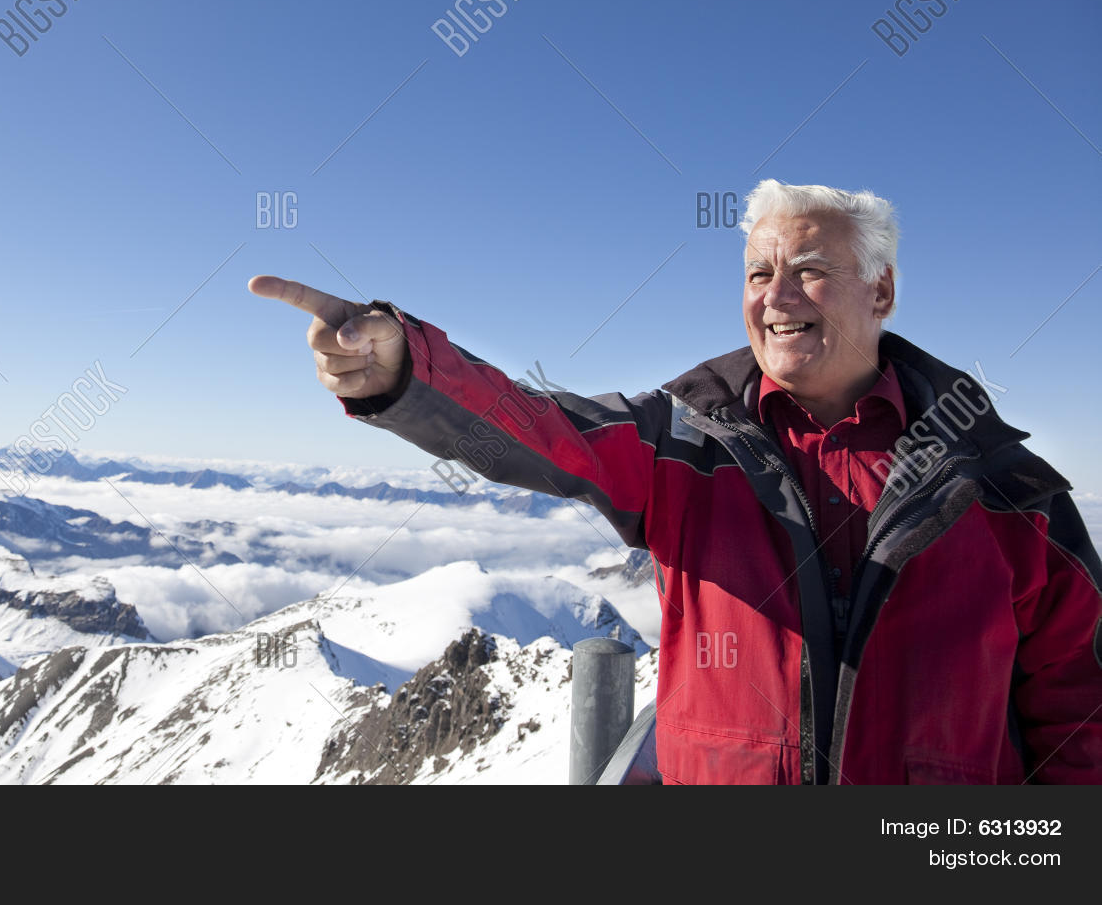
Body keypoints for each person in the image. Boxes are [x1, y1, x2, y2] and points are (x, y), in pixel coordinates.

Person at [249, 179, 1102, 784]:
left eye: (809, 269)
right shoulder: (682, 441)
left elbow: (1080, 714)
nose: (776, 296)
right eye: (758, 273)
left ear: (881, 290)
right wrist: (407, 369)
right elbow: (540, 430)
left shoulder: (1005, 487)